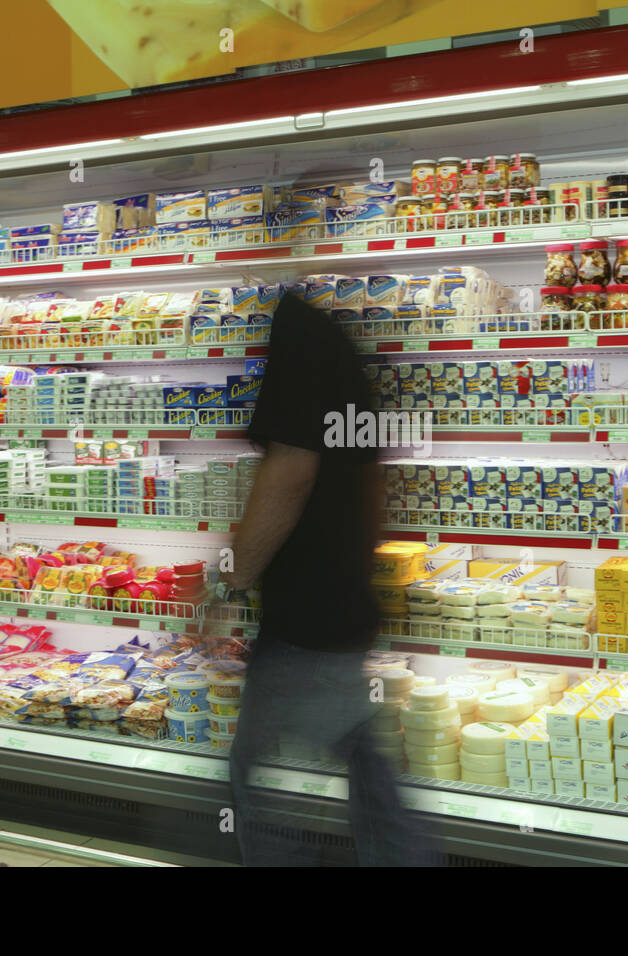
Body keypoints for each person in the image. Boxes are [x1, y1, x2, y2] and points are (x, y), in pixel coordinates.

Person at [215, 289, 437, 866]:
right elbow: (370, 479)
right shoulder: (340, 345)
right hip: (342, 608)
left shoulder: (299, 333)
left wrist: (229, 578)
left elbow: (290, 470)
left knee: (259, 781)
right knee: (363, 764)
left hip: (302, 619)